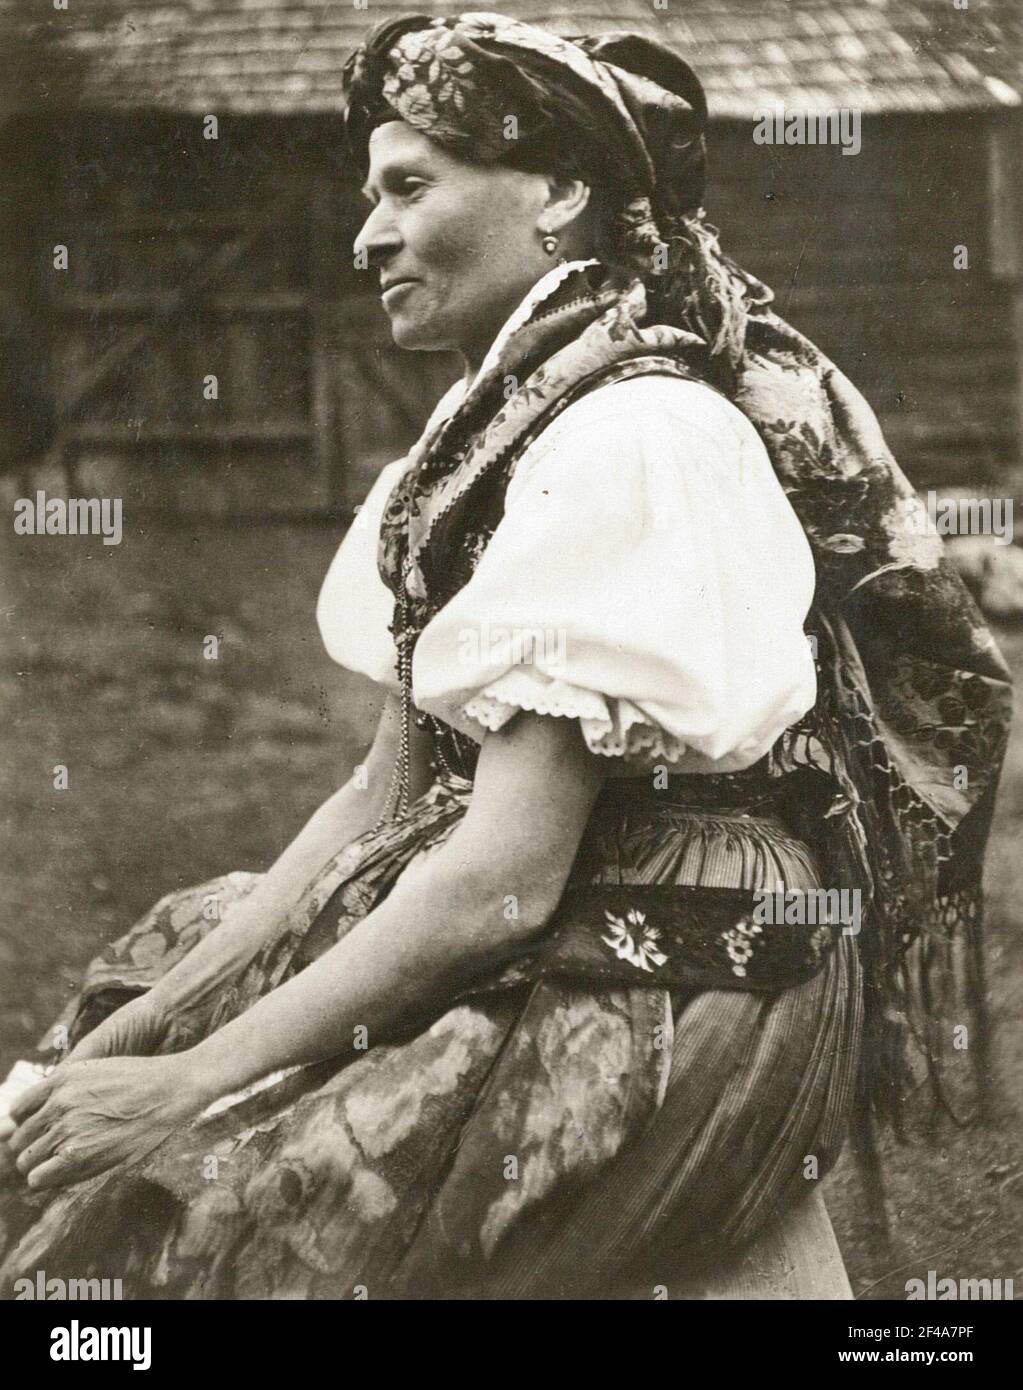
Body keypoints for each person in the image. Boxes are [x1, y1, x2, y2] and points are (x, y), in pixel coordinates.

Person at [0, 12, 1011, 1300]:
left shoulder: (632, 433)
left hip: (682, 946)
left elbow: (501, 882)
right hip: (568, 900)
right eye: (370, 192)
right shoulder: (494, 432)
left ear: (562, 195)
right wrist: (177, 1014)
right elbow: (383, 797)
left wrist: (195, 1085)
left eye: (410, 187)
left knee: (238, 1225)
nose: (365, 234)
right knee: (159, 995)